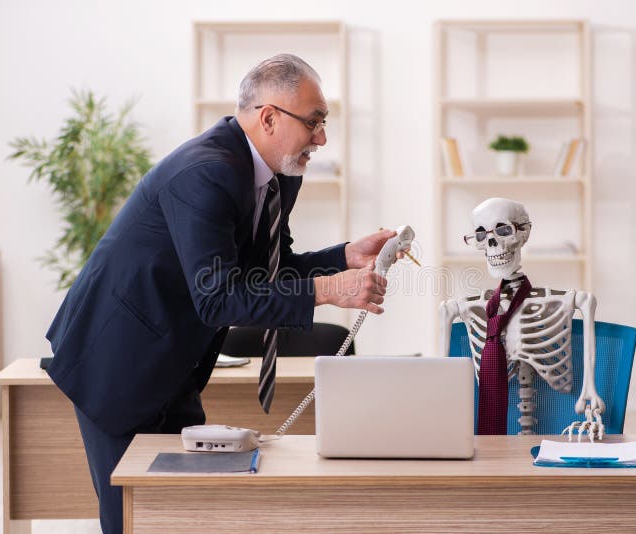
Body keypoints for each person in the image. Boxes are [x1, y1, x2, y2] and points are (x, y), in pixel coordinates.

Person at [45, 53, 398, 534]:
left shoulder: (276, 174)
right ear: (269, 118)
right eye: (314, 122)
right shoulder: (205, 172)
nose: (322, 138)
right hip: (117, 363)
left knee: (183, 514)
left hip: (174, 363)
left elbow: (268, 270)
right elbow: (219, 297)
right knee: (131, 520)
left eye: (324, 123)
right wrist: (331, 290)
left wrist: (344, 256)